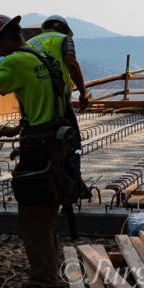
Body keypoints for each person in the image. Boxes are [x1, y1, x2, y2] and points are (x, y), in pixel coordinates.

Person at [0, 14, 65, 288]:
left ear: (2, 42)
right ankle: (52, 273)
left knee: (32, 219)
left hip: (38, 150)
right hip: (59, 145)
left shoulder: (13, 61)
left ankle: (43, 284)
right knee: (47, 216)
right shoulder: (42, 56)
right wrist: (18, 128)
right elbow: (47, 104)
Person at [27, 15, 88, 173]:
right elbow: (72, 65)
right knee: (73, 141)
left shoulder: (29, 43)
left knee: (38, 140)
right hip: (58, 100)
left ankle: (41, 176)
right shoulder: (64, 39)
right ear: (63, 28)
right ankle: (73, 178)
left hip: (34, 102)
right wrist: (83, 92)